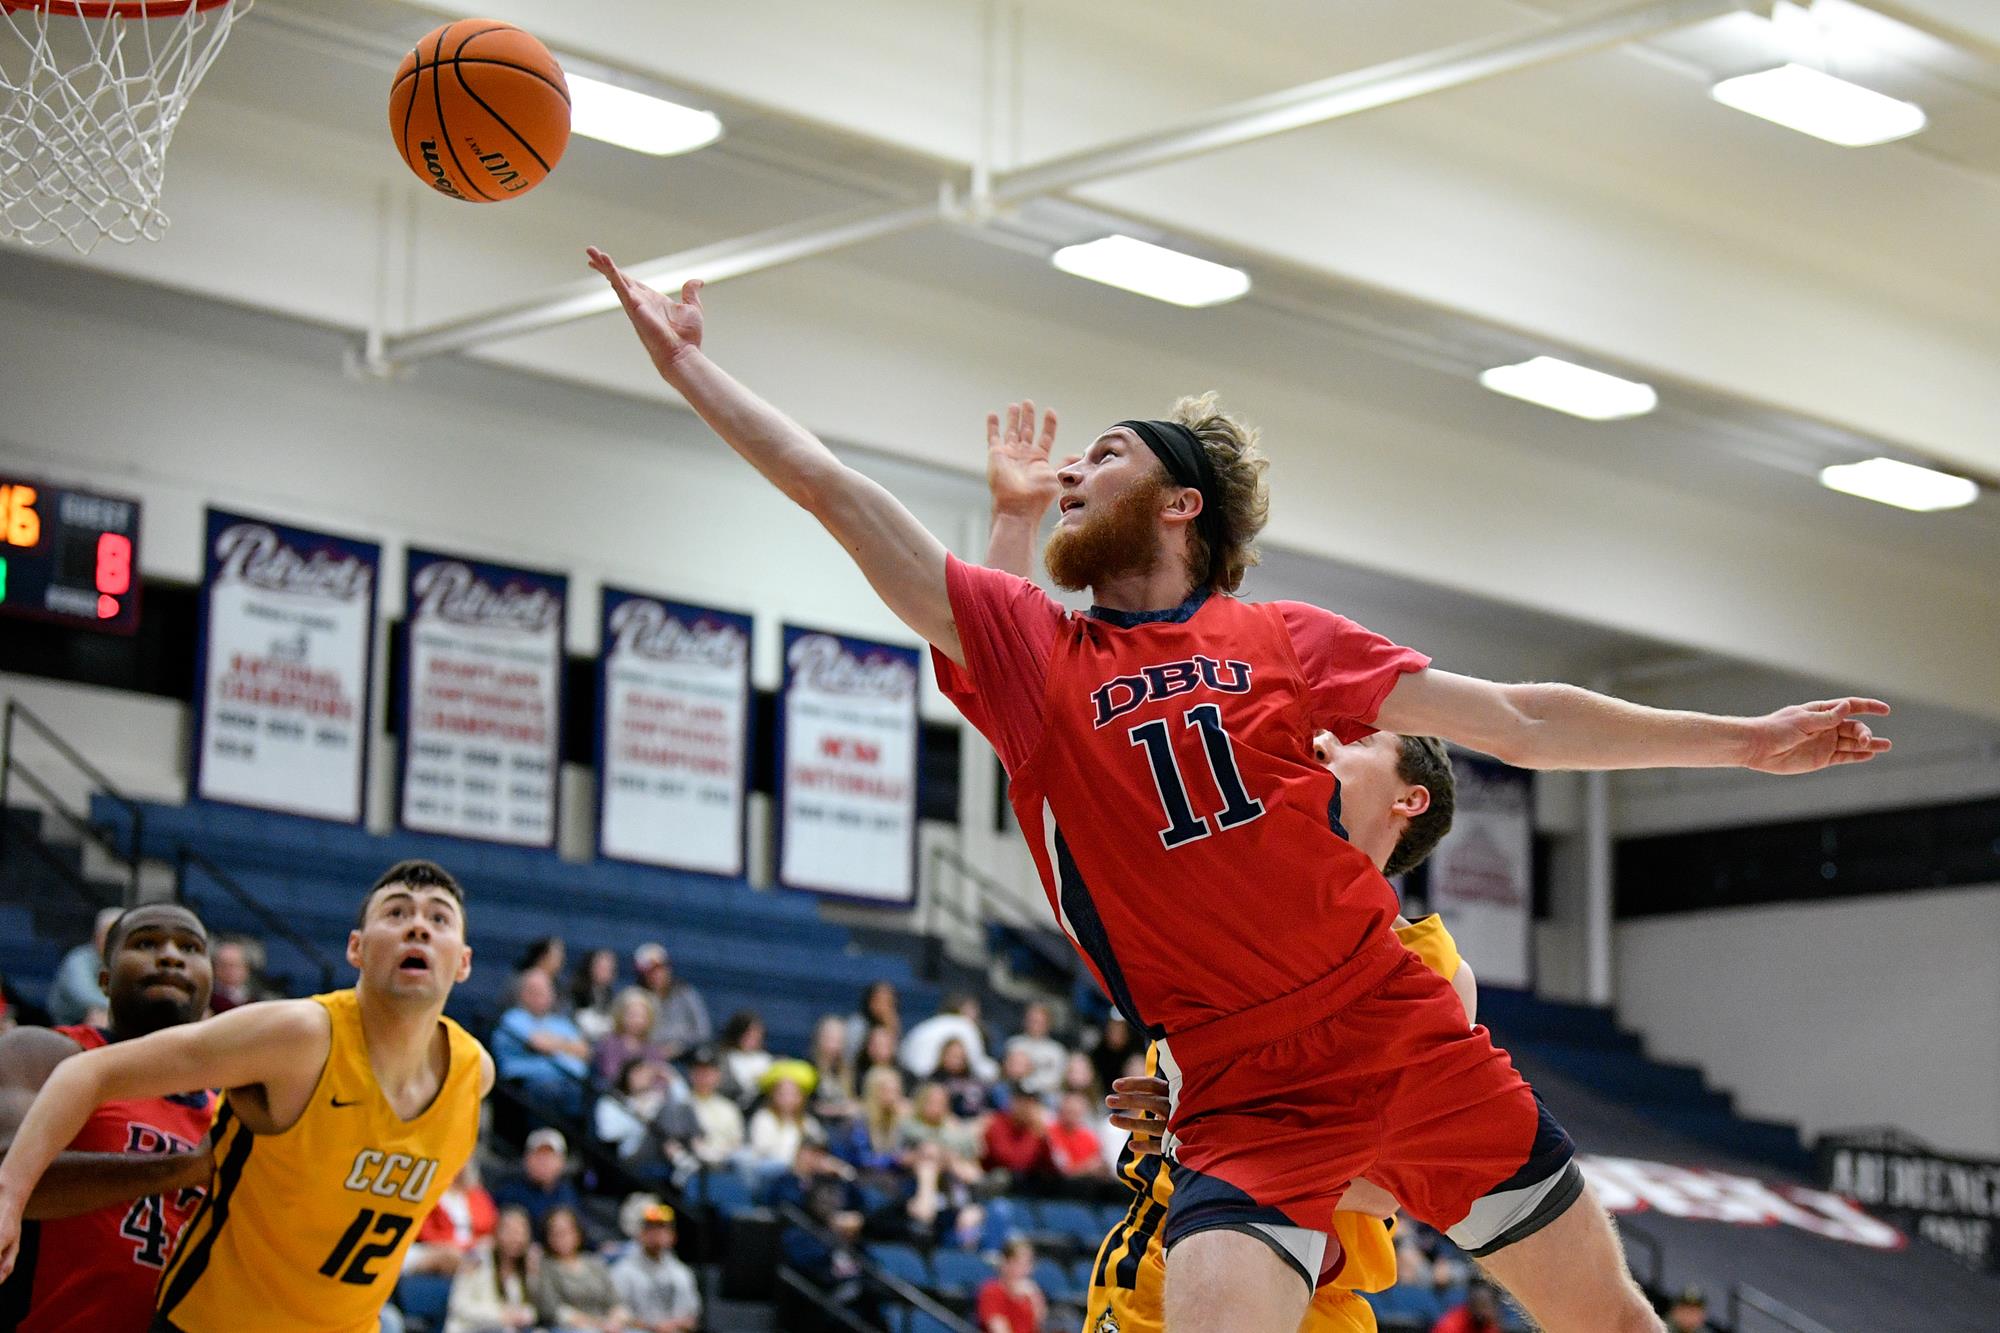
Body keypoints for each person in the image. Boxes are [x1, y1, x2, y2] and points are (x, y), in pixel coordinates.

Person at [587, 252, 1890, 1333]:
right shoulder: (1039, 656)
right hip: (1239, 1089)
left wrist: (1744, 742)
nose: (1071, 473)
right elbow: (831, 490)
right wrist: (688, 366)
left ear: (1180, 504)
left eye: (1103, 456)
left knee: (1611, 1319)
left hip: (1392, 1026)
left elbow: (1516, 719)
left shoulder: (1283, 638)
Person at [0, 859, 493, 1333]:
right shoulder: (297, 1038)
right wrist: (12, 1193)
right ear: (355, 949)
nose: (418, 927)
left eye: (438, 918)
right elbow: (64, 1104)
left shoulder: (469, 1076)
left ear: (465, 962)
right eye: (398, 912)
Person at [0, 902, 215, 1332]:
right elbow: (10, 1177)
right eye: (146, 943)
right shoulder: (46, 1053)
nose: (170, 955)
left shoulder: (226, 1109)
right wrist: (181, 1169)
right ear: (104, 979)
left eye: (190, 947)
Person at [492, 969, 590, 1117]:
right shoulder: (513, 1018)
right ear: (523, 994)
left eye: (545, 991)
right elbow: (539, 1044)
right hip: (527, 1084)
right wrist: (566, 1045)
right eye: (534, 991)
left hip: (571, 1083)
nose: (541, 996)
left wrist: (553, 1042)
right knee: (552, 1093)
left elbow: (584, 1050)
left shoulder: (561, 1022)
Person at [530, 1205, 626, 1333]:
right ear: (547, 1237)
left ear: (578, 1232)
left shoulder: (594, 1262)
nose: (562, 1237)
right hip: (568, 1328)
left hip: (607, 1325)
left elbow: (615, 1302)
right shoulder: (546, 1266)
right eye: (555, 1233)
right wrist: (596, 1324)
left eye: (567, 1231)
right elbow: (552, 1310)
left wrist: (615, 1320)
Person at [444, 1204, 537, 1333]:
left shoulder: (528, 1265)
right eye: (509, 1231)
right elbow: (458, 1306)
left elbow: (533, 1309)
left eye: (521, 1232)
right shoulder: (477, 1258)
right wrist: (499, 1316)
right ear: (496, 1232)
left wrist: (524, 1315)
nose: (516, 1238)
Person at [609, 1202, 700, 1333]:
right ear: (640, 1234)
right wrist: (653, 1327)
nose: (656, 1233)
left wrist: (673, 1325)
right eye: (650, 1228)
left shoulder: (682, 1272)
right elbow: (615, 1314)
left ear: (673, 1236)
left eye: (662, 1228)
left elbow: (692, 1318)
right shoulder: (623, 1270)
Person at [406, 1161, 498, 1277]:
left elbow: (490, 1225)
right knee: (449, 1256)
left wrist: (471, 1246)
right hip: (437, 1249)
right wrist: (457, 1247)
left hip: (474, 1250)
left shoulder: (478, 1196)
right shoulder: (430, 1194)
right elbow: (425, 1232)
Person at [491, 1128, 584, 1232]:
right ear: (526, 1159)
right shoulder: (508, 1192)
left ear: (561, 1162)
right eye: (538, 1156)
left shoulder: (569, 1195)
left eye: (549, 1157)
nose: (543, 1162)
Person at [633, 945, 710, 1060]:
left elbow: (704, 1031)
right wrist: (656, 1050)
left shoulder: (686, 993)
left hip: (686, 1056)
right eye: (650, 972)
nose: (657, 975)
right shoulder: (636, 997)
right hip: (648, 1057)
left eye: (660, 969)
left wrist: (679, 1047)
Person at [46, 907, 120, 1026]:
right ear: (97, 936)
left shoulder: (123, 961)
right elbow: (85, 995)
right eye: (109, 935)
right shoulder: (78, 958)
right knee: (99, 1016)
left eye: (119, 936)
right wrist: (129, 1007)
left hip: (109, 1018)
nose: (114, 942)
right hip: (69, 1024)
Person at [900, 994, 997, 1081]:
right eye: (972, 1010)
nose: (976, 1015)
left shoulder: (932, 1023)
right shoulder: (964, 1026)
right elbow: (983, 1069)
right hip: (925, 1079)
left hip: (908, 1074)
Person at [593, 989, 669, 1088]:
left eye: (642, 1016)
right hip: (616, 1093)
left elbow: (661, 1079)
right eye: (632, 1015)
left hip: (648, 1095)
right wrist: (638, 1077)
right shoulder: (609, 1043)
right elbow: (611, 1074)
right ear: (621, 1015)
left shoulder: (652, 1048)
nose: (637, 1020)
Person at [683, 1048, 745, 1169]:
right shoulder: (681, 1104)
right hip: (694, 1161)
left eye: (708, 1072)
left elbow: (737, 1142)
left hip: (726, 1160)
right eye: (699, 1071)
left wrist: (722, 1152)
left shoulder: (729, 1107)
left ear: (717, 1075)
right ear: (691, 1074)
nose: (703, 1077)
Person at [745, 1076, 818, 1173]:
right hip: (772, 1169)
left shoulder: (808, 1121)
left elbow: (818, 1145)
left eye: (793, 1094)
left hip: (802, 1169)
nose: (788, 1099)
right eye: (783, 1094)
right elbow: (762, 1150)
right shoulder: (764, 1118)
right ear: (773, 1095)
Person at [977, 1237, 1047, 1333]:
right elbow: (998, 1329)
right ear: (1005, 1263)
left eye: (1028, 1264)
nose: (1025, 1270)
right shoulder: (991, 1291)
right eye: (1019, 1263)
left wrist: (1035, 1297)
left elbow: (1040, 1324)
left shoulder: (1031, 1291)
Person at [1005, 1002, 1068, 1101]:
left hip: (1045, 1094)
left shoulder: (1057, 1050)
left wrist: (1036, 1085)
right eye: (1032, 1020)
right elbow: (1006, 1072)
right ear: (1025, 1021)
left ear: (1048, 1024)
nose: (1035, 1025)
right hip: (1015, 1091)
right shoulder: (1015, 1044)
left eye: (1039, 1022)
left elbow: (1059, 1080)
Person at [1048, 1091, 1109, 1182]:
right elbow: (1062, 1170)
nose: (1072, 1116)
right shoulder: (1050, 1133)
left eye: (1076, 1113)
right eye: (1069, 1111)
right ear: (1061, 1110)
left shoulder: (1088, 1136)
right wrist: (1086, 1168)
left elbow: (1099, 1165)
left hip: (1087, 1184)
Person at [716, 1010, 771, 1106]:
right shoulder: (721, 1058)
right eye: (747, 1034)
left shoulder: (768, 1060)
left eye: (756, 1035)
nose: (751, 1039)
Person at [570, 949, 620, 1044]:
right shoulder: (576, 991)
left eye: (610, 968)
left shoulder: (611, 996)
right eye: (601, 967)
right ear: (590, 967)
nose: (606, 972)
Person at [206, 938, 267, 1015]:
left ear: (246, 968)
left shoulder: (257, 999)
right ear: (215, 968)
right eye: (223, 965)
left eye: (234, 965)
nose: (228, 971)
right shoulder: (207, 1000)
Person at [845, 981, 900, 1059]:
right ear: (870, 1002)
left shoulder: (891, 1023)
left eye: (889, 1003)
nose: (884, 1007)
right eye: (880, 1001)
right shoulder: (857, 1025)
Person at [1433, 1279, 1506, 1333]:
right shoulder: (1451, 1324)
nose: (1480, 1312)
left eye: (1484, 1306)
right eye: (1476, 1305)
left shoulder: (1494, 1325)